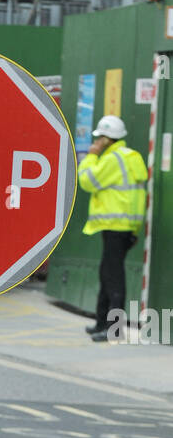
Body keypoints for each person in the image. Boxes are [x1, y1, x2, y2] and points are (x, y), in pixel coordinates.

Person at [77, 115, 147, 342]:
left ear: (108, 139)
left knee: (113, 276)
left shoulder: (112, 159)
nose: (96, 142)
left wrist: (91, 156)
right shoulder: (130, 157)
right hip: (125, 226)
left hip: (115, 225)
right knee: (107, 272)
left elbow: (87, 180)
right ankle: (101, 322)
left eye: (99, 138)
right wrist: (135, 230)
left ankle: (113, 328)